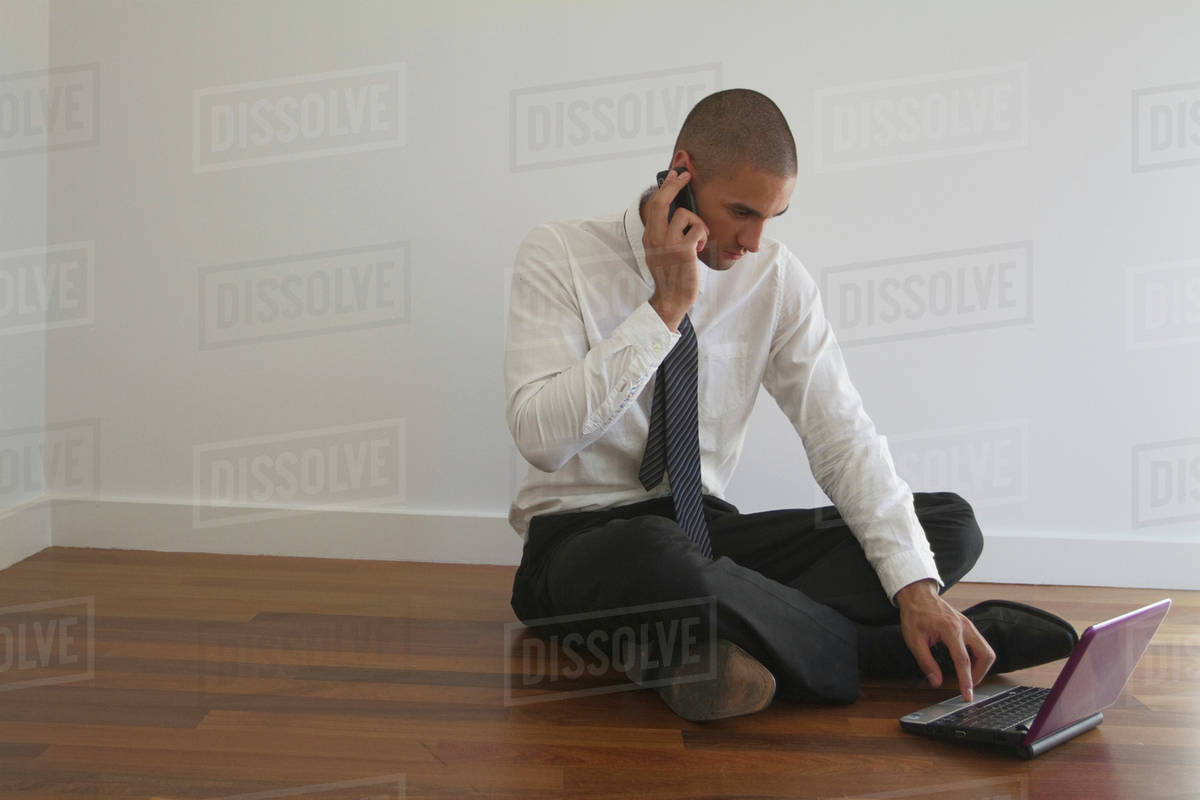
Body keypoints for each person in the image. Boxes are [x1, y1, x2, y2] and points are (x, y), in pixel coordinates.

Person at [504, 89, 1075, 721]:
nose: (753, 239)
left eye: (773, 216)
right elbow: (541, 438)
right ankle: (870, 650)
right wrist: (665, 308)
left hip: (706, 535)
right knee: (657, 558)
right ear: (681, 174)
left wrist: (915, 590)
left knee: (945, 527)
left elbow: (842, 439)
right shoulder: (557, 254)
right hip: (581, 543)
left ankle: (709, 648)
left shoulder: (775, 279)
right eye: (741, 211)